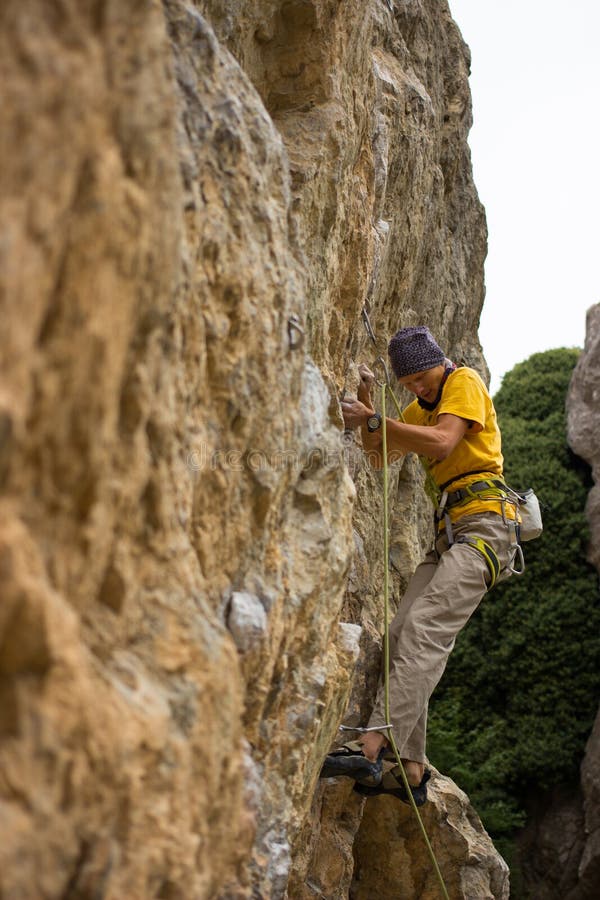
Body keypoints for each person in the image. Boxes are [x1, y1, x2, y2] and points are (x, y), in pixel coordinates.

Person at [323, 325, 519, 805]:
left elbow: (442, 443)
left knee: (425, 628)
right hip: (450, 534)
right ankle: (410, 769)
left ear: (440, 362)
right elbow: (377, 457)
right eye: (407, 382)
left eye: (422, 377)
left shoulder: (463, 382)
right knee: (400, 632)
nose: (417, 387)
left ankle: (371, 746)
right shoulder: (415, 408)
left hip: (487, 527)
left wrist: (375, 420)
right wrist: (371, 406)